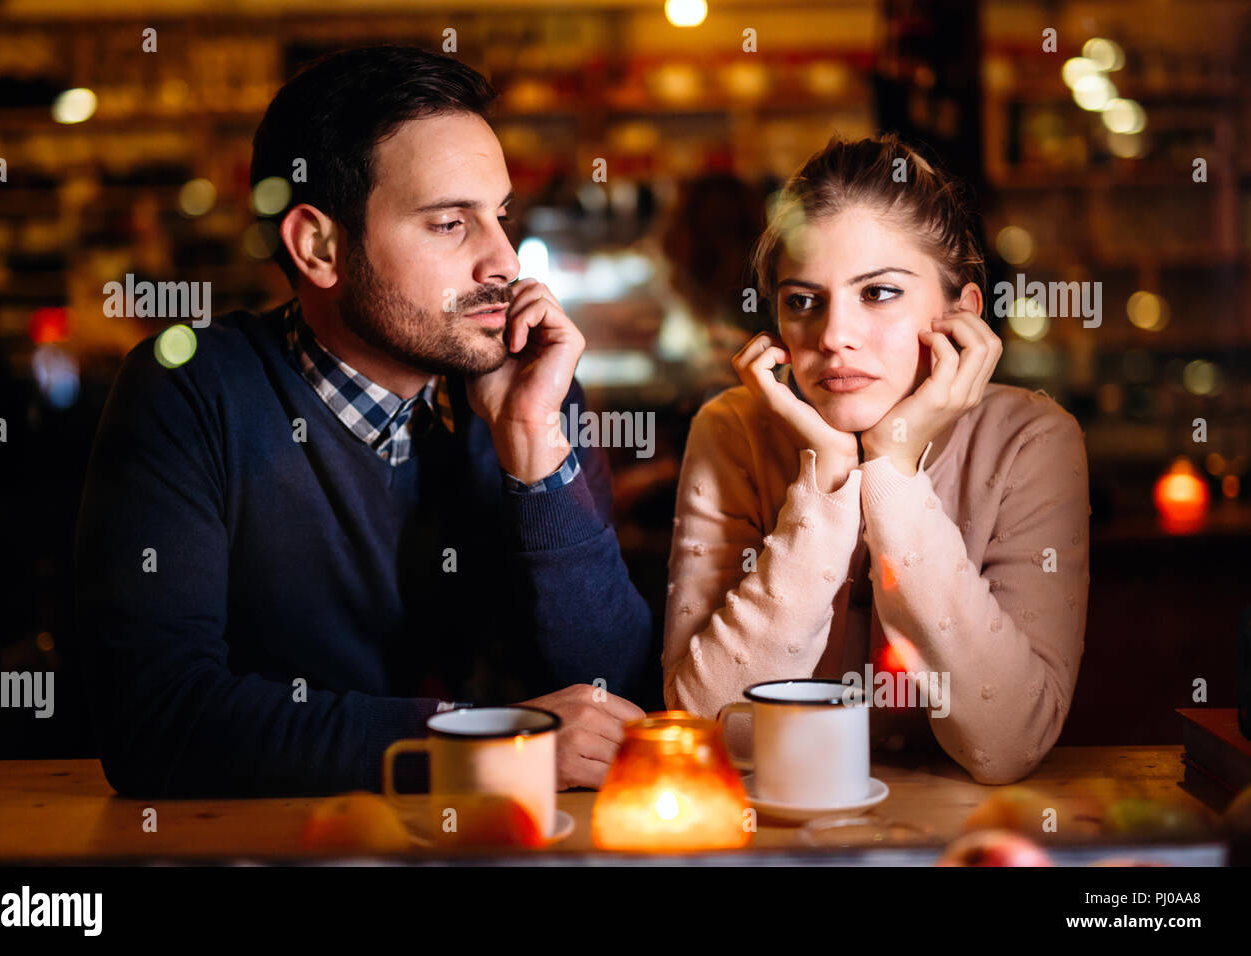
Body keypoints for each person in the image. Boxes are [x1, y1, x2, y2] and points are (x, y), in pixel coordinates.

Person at [74, 45, 651, 798]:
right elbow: (156, 723)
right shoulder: (191, 393)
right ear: (319, 246)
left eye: (500, 215)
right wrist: (493, 747)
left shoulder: (529, 393)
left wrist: (536, 454)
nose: (504, 261)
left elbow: (621, 697)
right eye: (450, 224)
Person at [663, 134, 1090, 786]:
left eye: (879, 293)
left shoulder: (1031, 440)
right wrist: (828, 481)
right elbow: (708, 733)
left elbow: (1008, 742)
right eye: (803, 300)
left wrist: (893, 471)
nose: (833, 336)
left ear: (959, 313)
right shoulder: (731, 433)